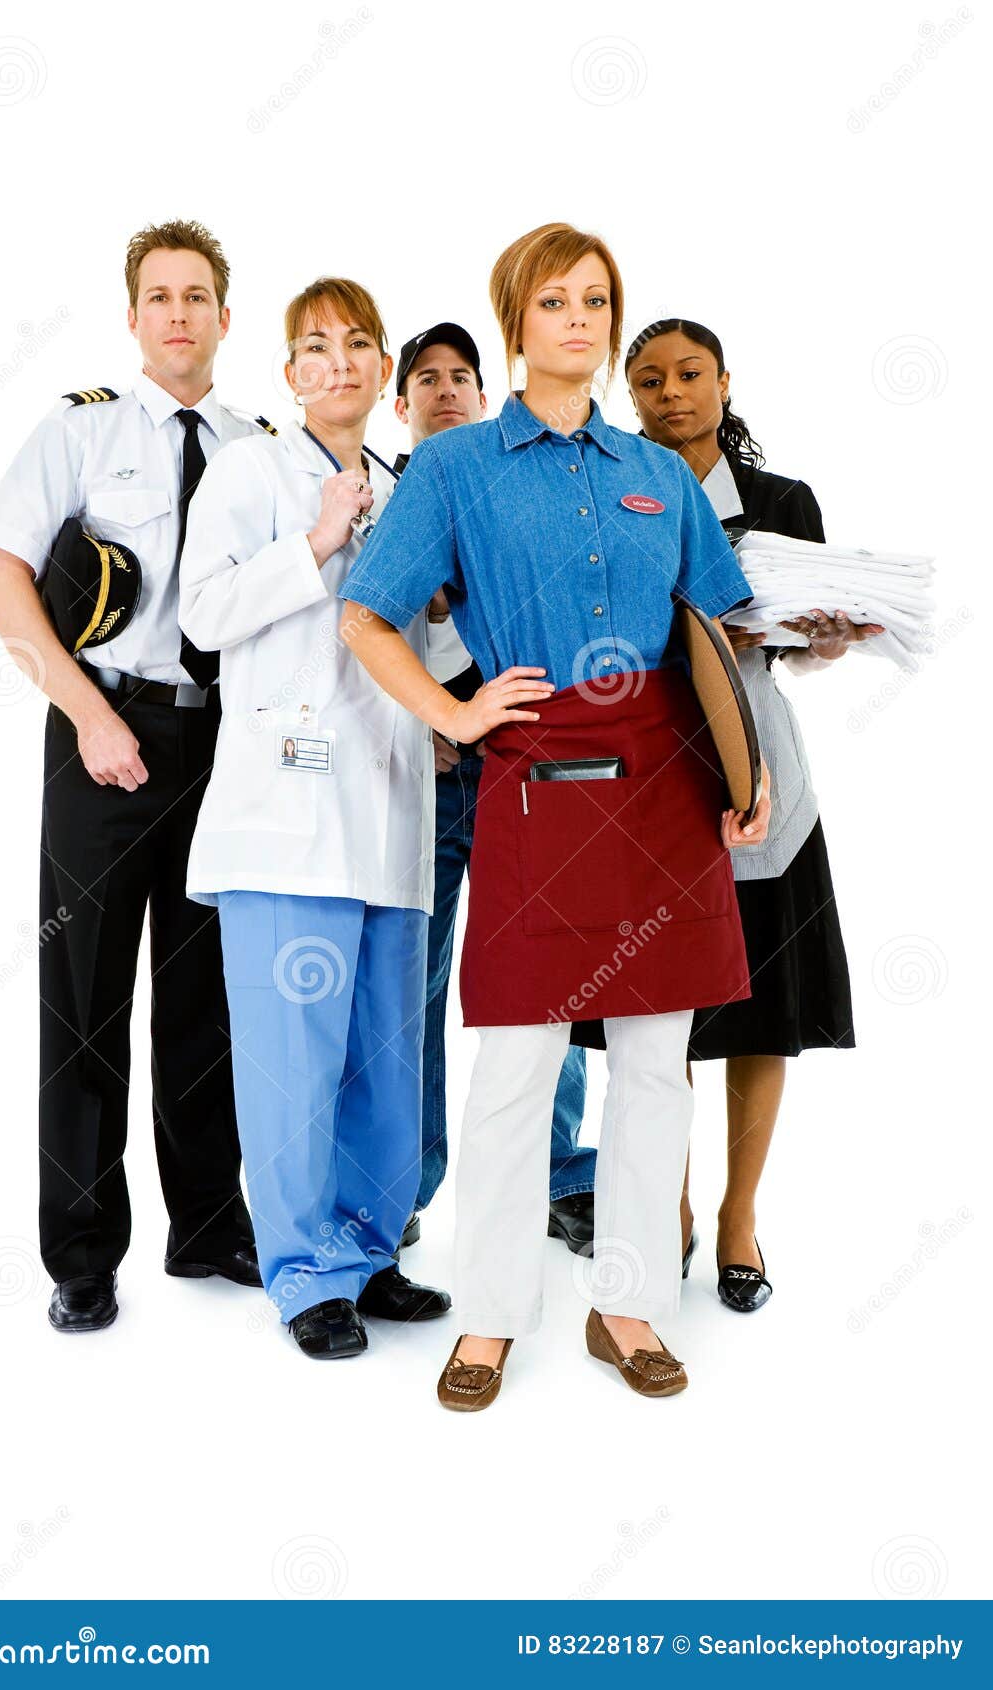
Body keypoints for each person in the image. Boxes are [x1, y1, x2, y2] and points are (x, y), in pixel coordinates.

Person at [342, 224, 771, 1411]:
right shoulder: (454, 467)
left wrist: (746, 776)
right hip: (535, 776)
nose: (577, 319)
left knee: (653, 1065)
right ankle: (487, 1317)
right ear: (514, 321)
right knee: (516, 1060)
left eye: (594, 301)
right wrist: (455, 710)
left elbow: (716, 639)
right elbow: (366, 616)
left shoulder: (659, 476)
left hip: (667, 781)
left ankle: (624, 1306)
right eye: (552, 301)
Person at [0, 219, 265, 1335]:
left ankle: (208, 1225)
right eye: (159, 297)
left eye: (197, 296)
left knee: (207, 995)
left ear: (225, 317)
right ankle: (83, 1252)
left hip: (222, 739)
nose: (178, 314)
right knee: (85, 997)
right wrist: (88, 717)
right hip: (105, 732)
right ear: (133, 316)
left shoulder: (256, 446)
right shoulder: (80, 428)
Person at [178, 278, 460, 1360]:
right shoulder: (250, 471)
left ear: (383, 369)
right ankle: (302, 1275)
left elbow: (423, 649)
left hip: (389, 815)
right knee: (292, 1065)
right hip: (284, 819)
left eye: (356, 344)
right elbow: (205, 614)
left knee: (385, 1058)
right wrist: (314, 540)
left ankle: (370, 1254)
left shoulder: (409, 487)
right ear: (289, 372)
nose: (336, 361)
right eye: (313, 346)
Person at [626, 318, 878, 1312]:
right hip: (646, 772)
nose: (671, 393)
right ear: (630, 398)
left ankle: (738, 1215)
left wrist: (826, 639)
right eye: (649, 380)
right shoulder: (613, 493)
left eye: (688, 374)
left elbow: (803, 644)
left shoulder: (779, 502)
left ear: (724, 383)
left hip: (757, 767)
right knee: (660, 1014)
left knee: (761, 1005)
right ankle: (670, 1205)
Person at [391, 322, 596, 1255]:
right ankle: (404, 1181)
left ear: (484, 396)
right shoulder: (382, 498)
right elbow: (348, 639)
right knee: (416, 981)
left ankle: (557, 1172)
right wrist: (425, 720)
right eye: (426, 379)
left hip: (527, 768)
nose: (444, 390)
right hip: (425, 774)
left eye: (460, 377)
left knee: (550, 972)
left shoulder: (522, 488)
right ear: (400, 403)